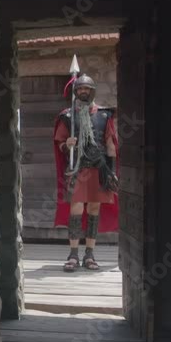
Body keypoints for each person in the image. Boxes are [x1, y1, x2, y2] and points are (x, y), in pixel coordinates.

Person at [52, 74, 119, 272]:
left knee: (94, 210)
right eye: (80, 89)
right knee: (76, 208)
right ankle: (73, 254)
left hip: (99, 169)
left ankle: (89, 254)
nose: (83, 91)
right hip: (78, 169)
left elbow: (110, 145)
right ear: (76, 91)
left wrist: (112, 171)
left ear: (92, 91)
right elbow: (60, 143)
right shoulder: (67, 116)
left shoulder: (104, 115)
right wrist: (68, 144)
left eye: (87, 89)